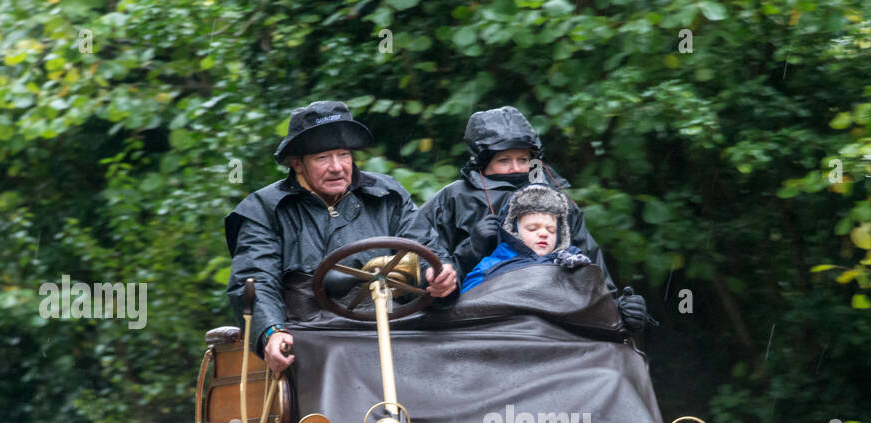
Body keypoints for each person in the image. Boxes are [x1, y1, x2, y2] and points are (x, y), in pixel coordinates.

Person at [225, 100, 458, 374]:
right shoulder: (264, 209)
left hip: (394, 325)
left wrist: (439, 277)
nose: (337, 167)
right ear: (297, 164)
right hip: (312, 334)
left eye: (344, 155)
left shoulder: (388, 195)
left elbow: (426, 250)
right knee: (333, 365)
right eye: (323, 158)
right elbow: (255, 281)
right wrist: (271, 331)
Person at [420, 106, 651, 332]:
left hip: (555, 311)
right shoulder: (452, 199)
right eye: (504, 160)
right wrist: (472, 248)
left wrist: (616, 305)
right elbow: (425, 263)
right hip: (477, 317)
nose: (515, 168)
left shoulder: (555, 197)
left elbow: (586, 255)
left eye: (523, 159)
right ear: (483, 162)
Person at [461, 184, 592, 292]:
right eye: (532, 228)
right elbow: (468, 304)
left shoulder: (575, 261)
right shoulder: (491, 266)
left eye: (551, 230)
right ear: (512, 231)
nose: (544, 234)